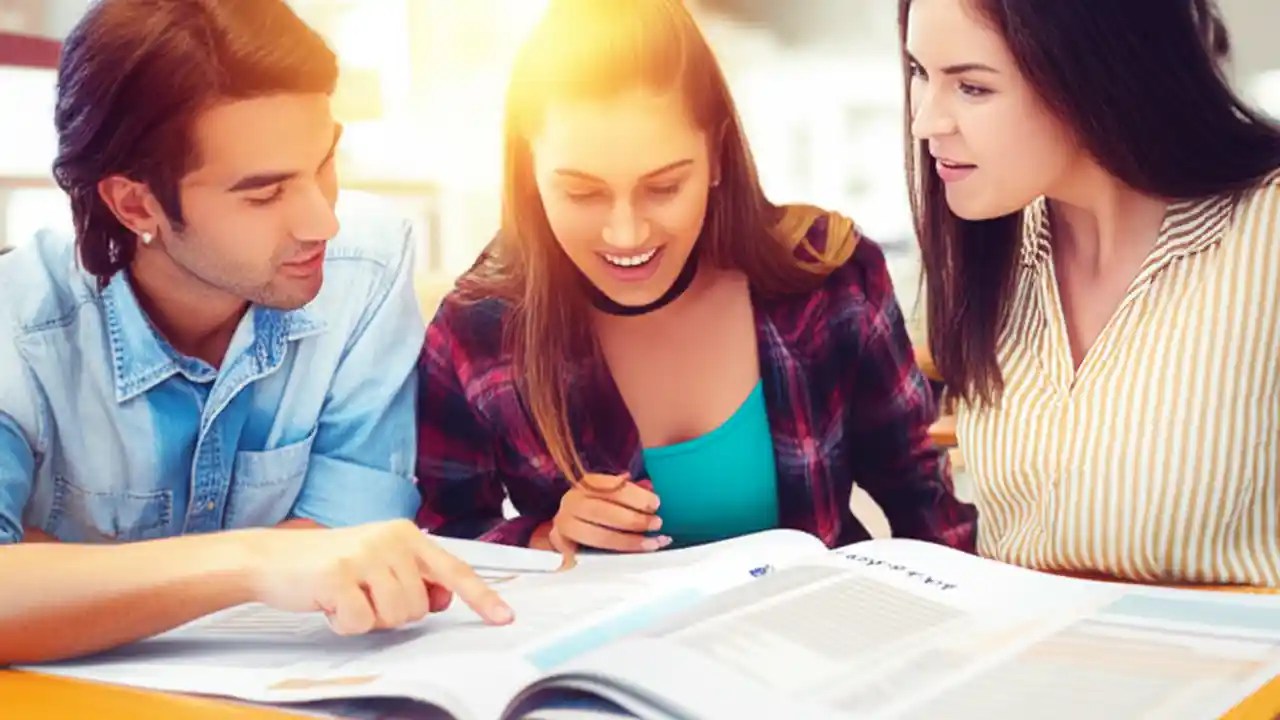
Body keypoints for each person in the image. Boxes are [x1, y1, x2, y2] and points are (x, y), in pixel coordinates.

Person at [0, 0, 511, 665]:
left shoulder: (366, 267)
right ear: (135, 203)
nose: (322, 220)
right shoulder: (20, 331)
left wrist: (62, 578)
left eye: (324, 163)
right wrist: (259, 558)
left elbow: (351, 538)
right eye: (265, 194)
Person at [416, 0, 976, 560]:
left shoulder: (831, 281)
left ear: (716, 157)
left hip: (817, 637)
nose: (626, 232)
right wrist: (545, 537)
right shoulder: (475, 331)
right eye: (581, 193)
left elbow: (923, 504)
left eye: (663, 187)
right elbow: (447, 537)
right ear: (529, 173)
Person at [902, 0, 1280, 585]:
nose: (925, 121)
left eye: (972, 88)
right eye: (919, 73)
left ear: (1091, 70)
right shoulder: (990, 252)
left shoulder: (1266, 238)